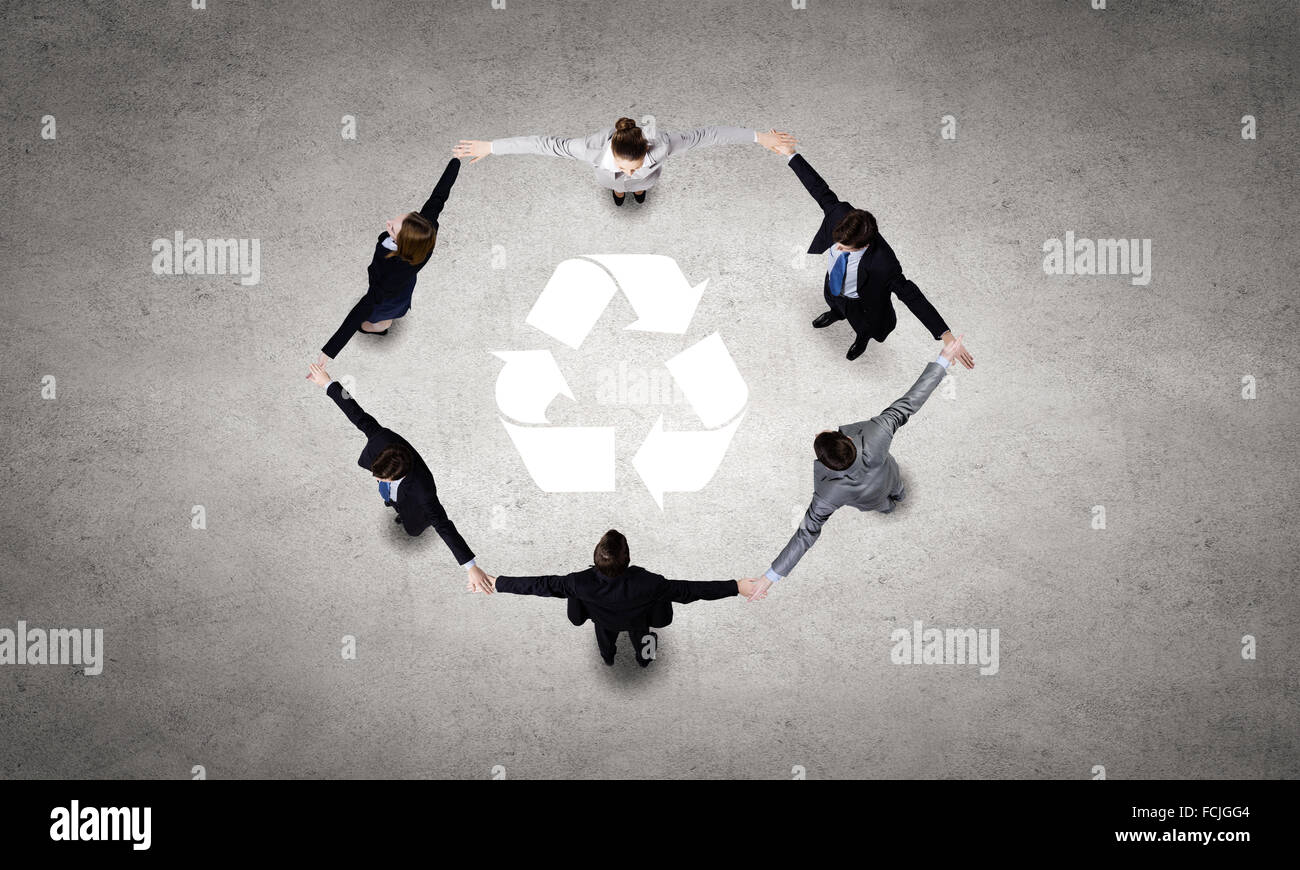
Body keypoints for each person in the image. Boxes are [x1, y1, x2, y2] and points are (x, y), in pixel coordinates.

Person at [744, 338, 970, 600]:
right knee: (898, 489)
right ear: (849, 439)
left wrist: (770, 576)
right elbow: (911, 400)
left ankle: (890, 507)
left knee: (885, 507)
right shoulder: (877, 433)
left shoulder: (826, 493)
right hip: (890, 476)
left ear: (825, 465)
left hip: (869, 501)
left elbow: (806, 533)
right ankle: (901, 495)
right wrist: (943, 359)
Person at [774, 143, 975, 365]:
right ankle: (836, 312)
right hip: (835, 286)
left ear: (864, 245)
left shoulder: (885, 264)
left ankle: (862, 339)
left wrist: (945, 334)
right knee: (834, 299)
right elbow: (818, 188)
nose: (837, 248)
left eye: (845, 247)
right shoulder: (838, 213)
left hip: (861, 304)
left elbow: (912, 296)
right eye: (838, 241)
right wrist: (791, 154)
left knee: (864, 328)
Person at [307, 362, 492, 593]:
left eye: (383, 479)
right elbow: (356, 413)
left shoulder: (423, 492)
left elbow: (445, 526)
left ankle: (404, 516)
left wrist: (471, 567)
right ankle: (391, 501)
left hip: (412, 506)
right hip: (398, 490)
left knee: (413, 529)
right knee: (389, 498)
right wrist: (327, 383)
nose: (377, 479)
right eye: (377, 474)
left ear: (400, 475)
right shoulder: (381, 438)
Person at [484, 530, 756, 667]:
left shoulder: (578, 582)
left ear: (595, 558)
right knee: (643, 638)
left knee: (604, 637)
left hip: (603, 620)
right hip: (639, 620)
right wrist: (735, 586)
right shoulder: (650, 583)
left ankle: (608, 657)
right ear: (627, 559)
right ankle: (644, 659)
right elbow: (691, 591)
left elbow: (539, 585)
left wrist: (498, 583)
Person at [313, 158, 462, 369]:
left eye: (392, 229)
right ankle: (386, 320)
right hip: (403, 284)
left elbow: (361, 309)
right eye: (397, 219)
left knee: (368, 322)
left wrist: (328, 352)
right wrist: (455, 163)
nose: (388, 224)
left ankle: (382, 326)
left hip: (388, 299)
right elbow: (438, 198)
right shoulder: (425, 228)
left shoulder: (390, 278)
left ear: (402, 243)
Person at [453, 117, 795, 206]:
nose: (629, 171)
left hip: (650, 180)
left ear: (646, 150)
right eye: (625, 165)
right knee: (617, 189)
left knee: (641, 186)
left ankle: (639, 194)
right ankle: (620, 196)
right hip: (607, 180)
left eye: (634, 166)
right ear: (612, 152)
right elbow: (542, 144)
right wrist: (491, 146)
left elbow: (707, 135)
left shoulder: (660, 147)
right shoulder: (587, 151)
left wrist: (760, 137)